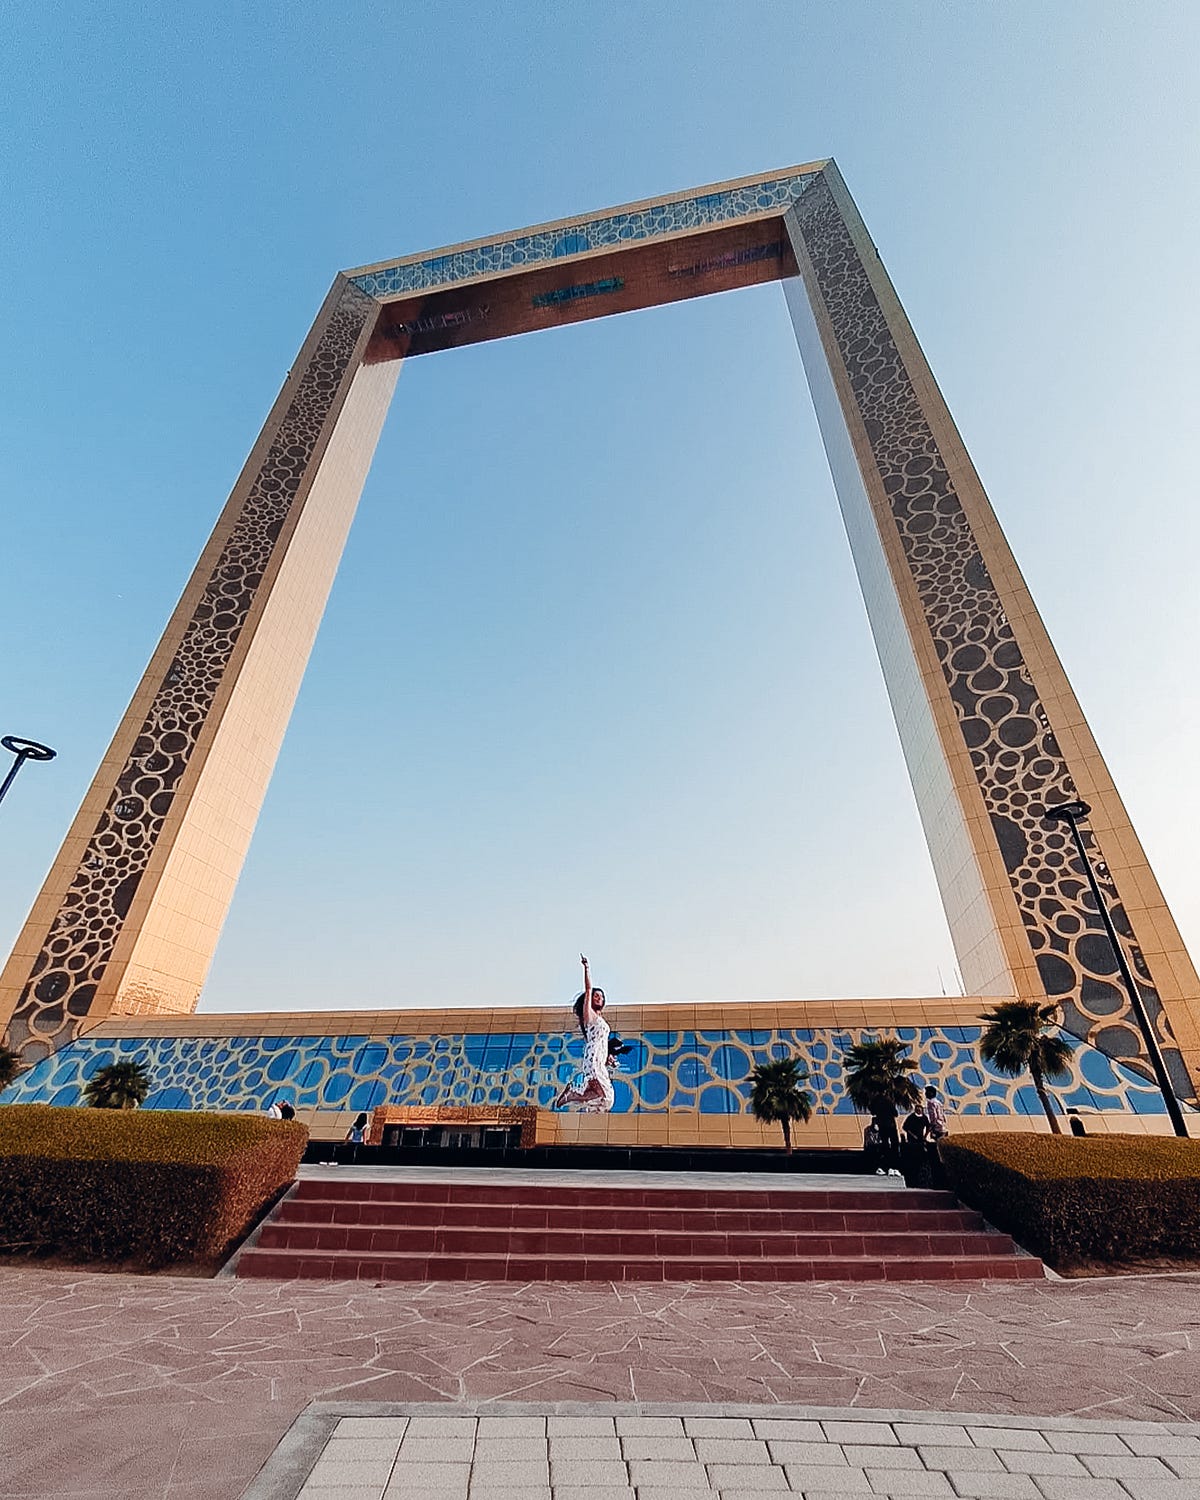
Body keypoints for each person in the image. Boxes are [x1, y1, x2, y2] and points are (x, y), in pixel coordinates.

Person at [554, 954, 615, 1113]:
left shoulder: (601, 1021)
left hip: (599, 1059)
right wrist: (587, 968)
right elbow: (588, 989)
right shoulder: (590, 1016)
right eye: (596, 995)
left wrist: (608, 1057)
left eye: (601, 996)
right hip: (593, 1058)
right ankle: (572, 1095)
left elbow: (602, 1042)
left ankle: (571, 1095)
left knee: (603, 1098)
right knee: (606, 1096)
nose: (599, 998)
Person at [870, 1096, 901, 1176]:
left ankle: (885, 1167)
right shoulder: (889, 1101)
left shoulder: (875, 1101)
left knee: (885, 1146)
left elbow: (872, 1112)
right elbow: (895, 1113)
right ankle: (893, 1167)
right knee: (894, 1146)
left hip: (882, 1126)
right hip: (891, 1125)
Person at [900, 1107, 931, 1188]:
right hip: (912, 1140)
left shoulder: (924, 1117)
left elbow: (928, 1126)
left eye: (920, 1110)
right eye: (917, 1110)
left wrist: (925, 1136)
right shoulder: (911, 1117)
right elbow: (905, 1127)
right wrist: (912, 1135)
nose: (919, 1111)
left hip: (920, 1140)